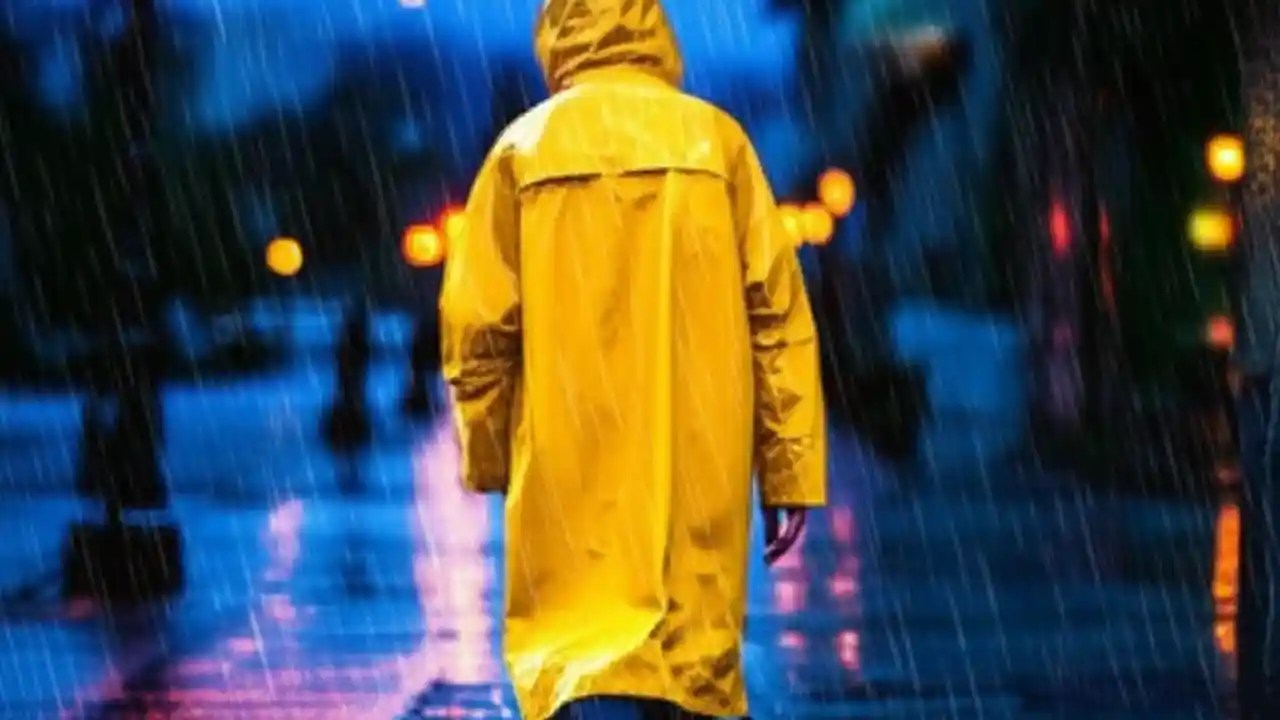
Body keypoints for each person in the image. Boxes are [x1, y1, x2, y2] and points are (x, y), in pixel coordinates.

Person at [439, 1, 827, 718]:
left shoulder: (522, 152)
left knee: (583, 673)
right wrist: (787, 470)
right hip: (695, 483)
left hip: (568, 497)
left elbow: (478, 333)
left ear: (556, 33)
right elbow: (777, 320)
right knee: (692, 671)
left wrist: (490, 458)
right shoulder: (718, 146)